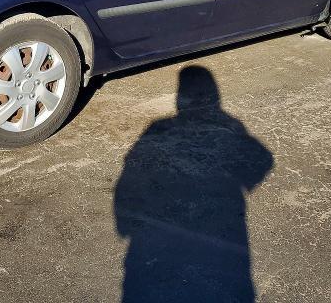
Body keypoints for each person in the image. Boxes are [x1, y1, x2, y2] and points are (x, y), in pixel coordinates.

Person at [115, 65, 273, 302]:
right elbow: (263, 158)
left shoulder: (159, 128)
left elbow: (129, 170)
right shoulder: (229, 125)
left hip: (159, 245)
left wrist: (125, 224)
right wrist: (241, 184)